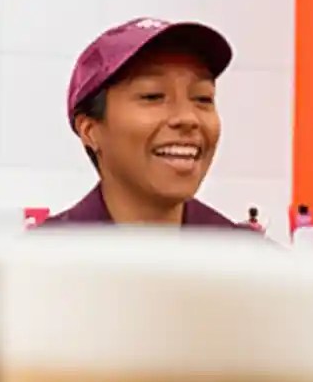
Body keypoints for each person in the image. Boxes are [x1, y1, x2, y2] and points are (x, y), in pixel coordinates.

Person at [47, 17, 239, 227]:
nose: (187, 118)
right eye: (153, 96)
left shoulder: (250, 256)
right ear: (89, 130)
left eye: (203, 98)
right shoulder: (38, 256)